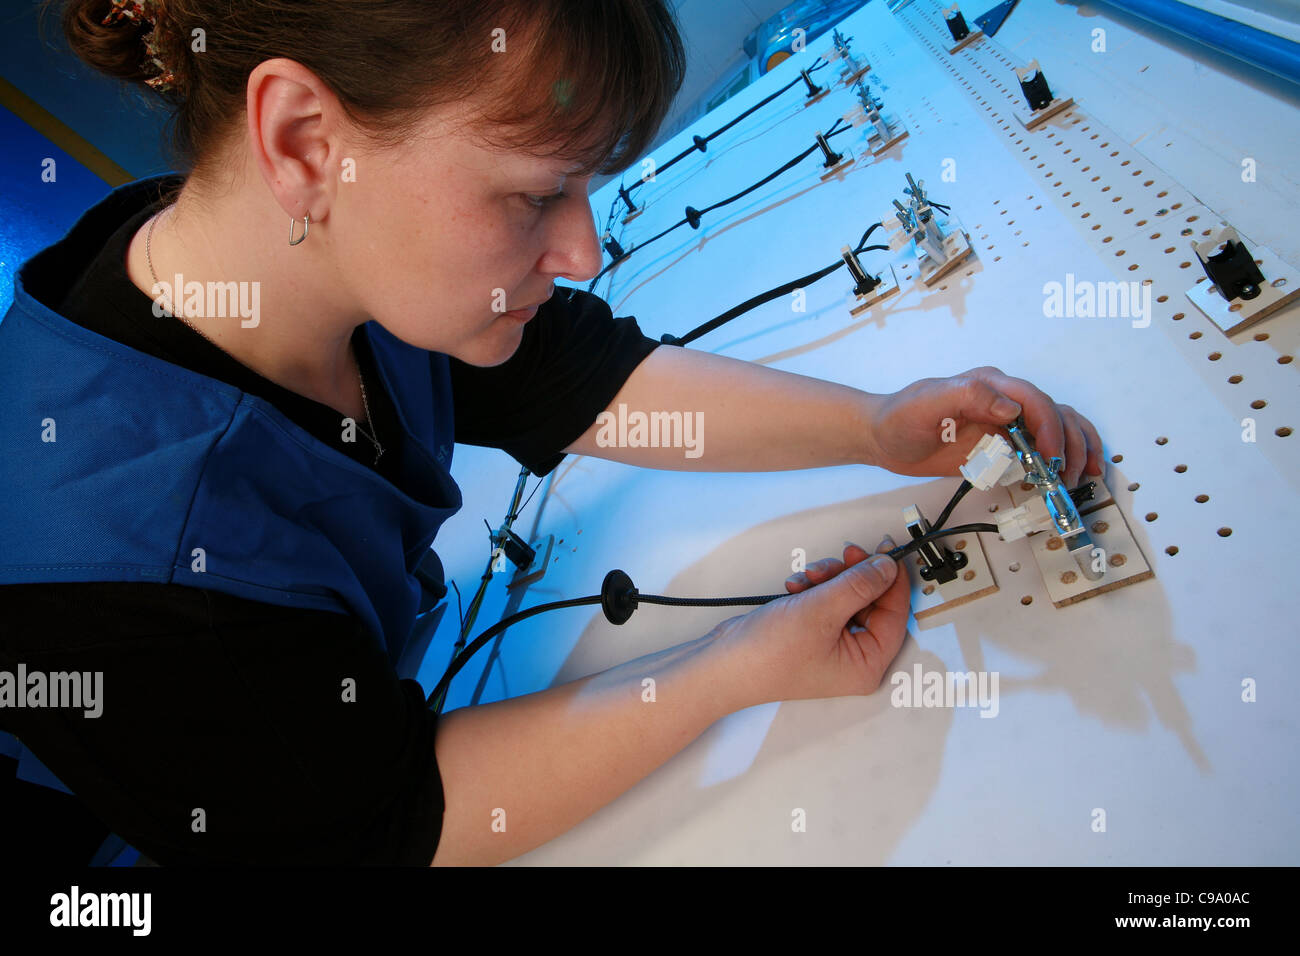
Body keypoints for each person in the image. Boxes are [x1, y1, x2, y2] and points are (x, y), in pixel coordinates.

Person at [0, 0, 1105, 867]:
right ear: (302, 139)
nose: (583, 250)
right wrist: (734, 669)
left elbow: (577, 379)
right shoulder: (109, 557)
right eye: (536, 195)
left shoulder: (281, 241)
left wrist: (875, 426)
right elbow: (374, 823)